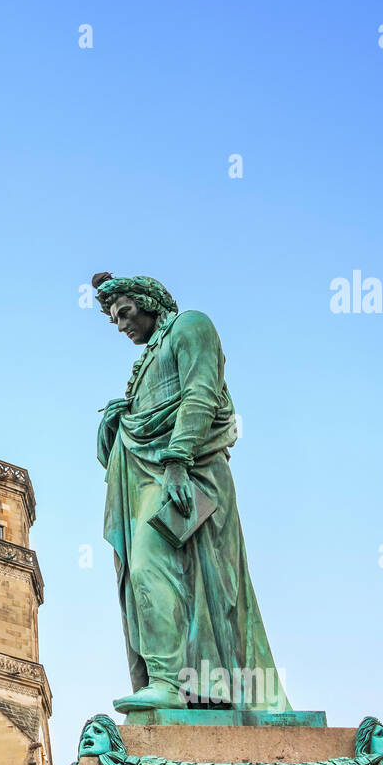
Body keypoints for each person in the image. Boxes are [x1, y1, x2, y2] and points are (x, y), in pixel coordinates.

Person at [95, 272, 290, 714]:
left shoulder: (191, 326)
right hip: (149, 476)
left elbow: (200, 393)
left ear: (150, 301)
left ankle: (170, 681)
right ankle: (182, 681)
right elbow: (139, 425)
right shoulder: (143, 364)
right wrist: (116, 419)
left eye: (124, 312)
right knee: (143, 574)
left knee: (149, 565)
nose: (121, 324)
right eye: (114, 320)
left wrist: (178, 459)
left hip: (189, 474)